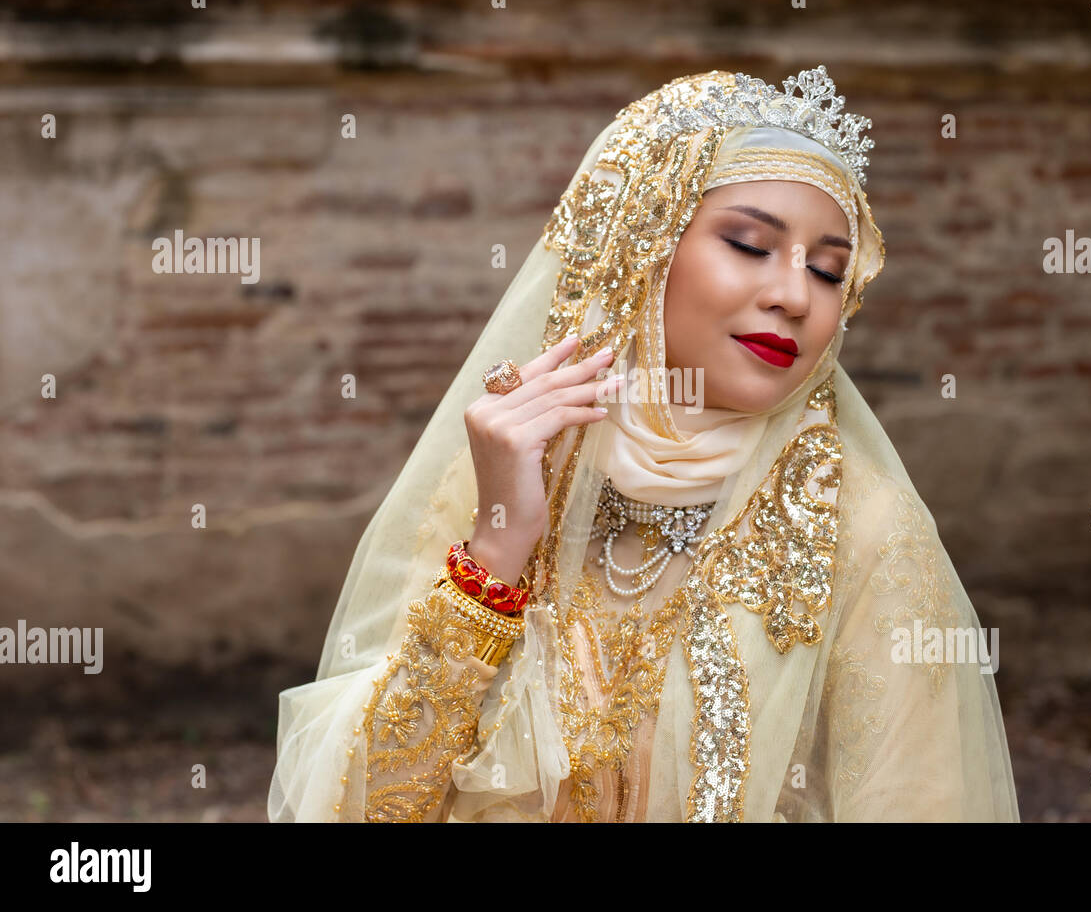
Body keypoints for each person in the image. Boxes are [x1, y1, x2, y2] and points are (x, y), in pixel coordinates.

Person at [268, 65, 1020, 822]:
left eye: (828, 271)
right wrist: (498, 553)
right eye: (751, 244)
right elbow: (370, 808)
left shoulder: (862, 528)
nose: (796, 296)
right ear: (644, 247)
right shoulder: (513, 472)